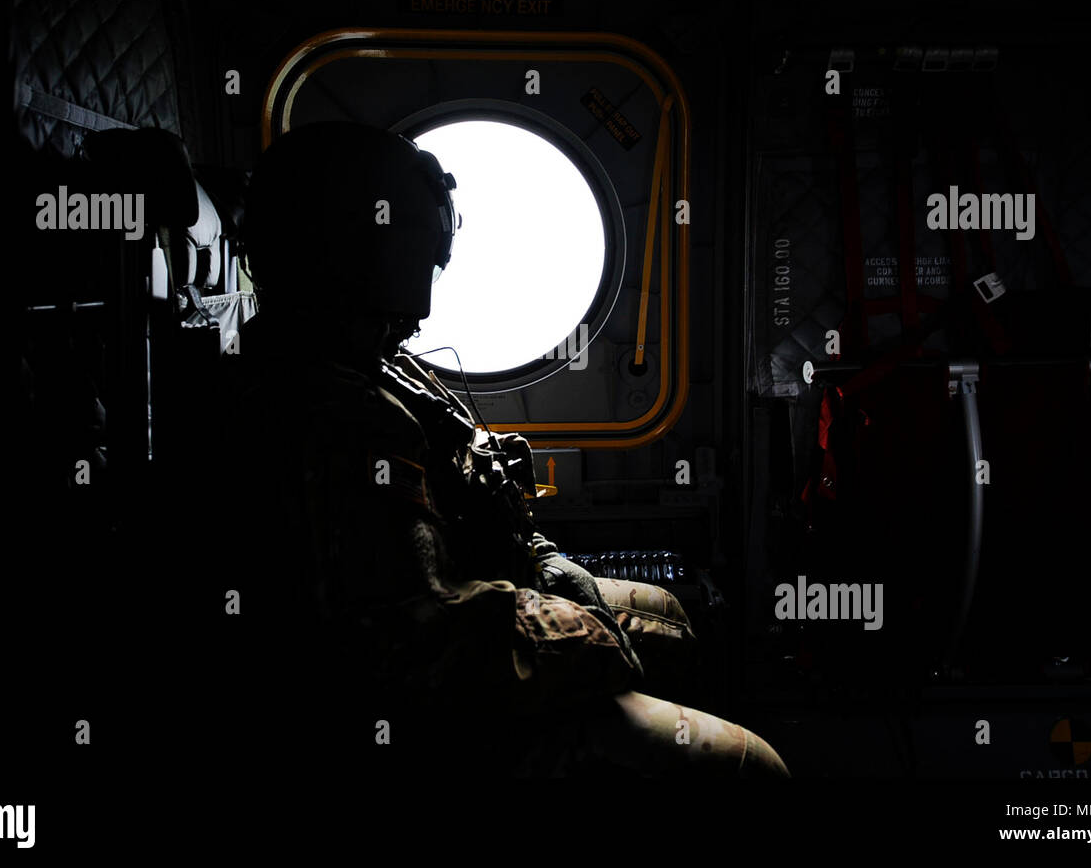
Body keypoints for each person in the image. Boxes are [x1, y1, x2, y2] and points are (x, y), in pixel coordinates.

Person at [226, 120, 788, 777]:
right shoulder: (326, 412)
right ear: (350, 253)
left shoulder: (374, 361)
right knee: (753, 765)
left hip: (480, 590)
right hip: (413, 711)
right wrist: (583, 629)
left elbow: (461, 497)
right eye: (415, 261)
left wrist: (540, 558)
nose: (421, 310)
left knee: (670, 613)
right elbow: (410, 643)